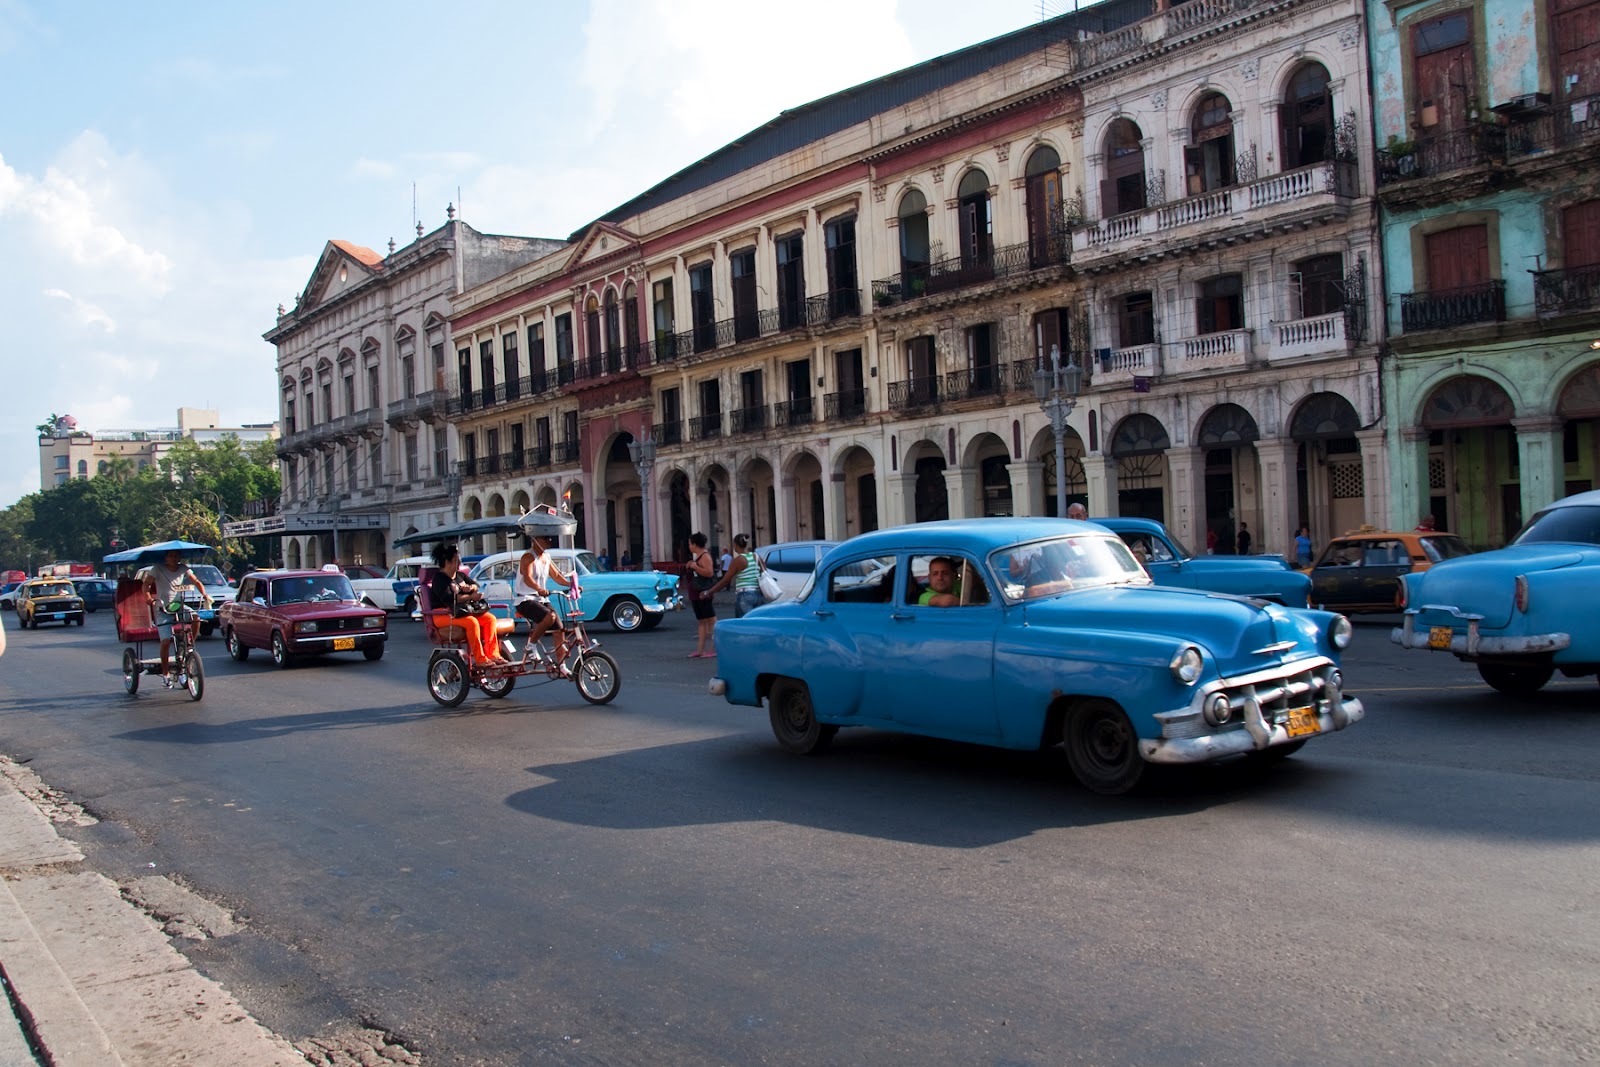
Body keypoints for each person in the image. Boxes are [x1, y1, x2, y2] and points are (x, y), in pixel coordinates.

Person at [428, 543, 505, 667]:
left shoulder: (460, 576)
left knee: (490, 619)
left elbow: (475, 585)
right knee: (471, 622)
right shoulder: (439, 579)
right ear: (447, 562)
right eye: (456, 560)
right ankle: (480, 660)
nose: (459, 562)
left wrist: (470, 587)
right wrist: (470, 597)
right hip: (443, 614)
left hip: (461, 611)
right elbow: (449, 598)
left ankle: (493, 654)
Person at [144, 549, 212, 686]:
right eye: (171, 555)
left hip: (178, 606)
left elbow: (196, 581)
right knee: (165, 641)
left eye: (176, 556)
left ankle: (189, 645)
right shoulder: (157, 568)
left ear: (180, 557)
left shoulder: (183, 568)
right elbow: (146, 584)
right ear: (166, 557)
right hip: (163, 608)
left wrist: (205, 595)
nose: (174, 558)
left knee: (195, 616)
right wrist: (149, 598)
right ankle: (165, 673)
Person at [514, 533, 574, 669]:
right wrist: (539, 588)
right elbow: (528, 578)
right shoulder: (528, 557)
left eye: (550, 537)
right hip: (525, 599)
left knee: (559, 629)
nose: (549, 540)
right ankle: (531, 645)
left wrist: (571, 585)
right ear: (535, 540)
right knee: (550, 616)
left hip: (540, 599)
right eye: (545, 538)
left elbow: (556, 576)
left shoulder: (546, 557)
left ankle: (562, 666)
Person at [708, 534, 763, 618]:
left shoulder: (738, 560)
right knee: (756, 621)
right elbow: (764, 572)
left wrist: (709, 591)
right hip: (758, 593)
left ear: (735, 545)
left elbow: (725, 580)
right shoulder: (756, 556)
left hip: (745, 594)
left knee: (744, 622)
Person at [686, 532, 718, 658]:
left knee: (711, 620)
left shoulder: (705, 556)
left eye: (690, 544)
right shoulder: (697, 557)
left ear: (695, 544)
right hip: (695, 593)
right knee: (701, 621)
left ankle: (714, 648)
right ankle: (700, 649)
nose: (689, 546)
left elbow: (709, 573)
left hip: (703, 593)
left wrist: (695, 567)